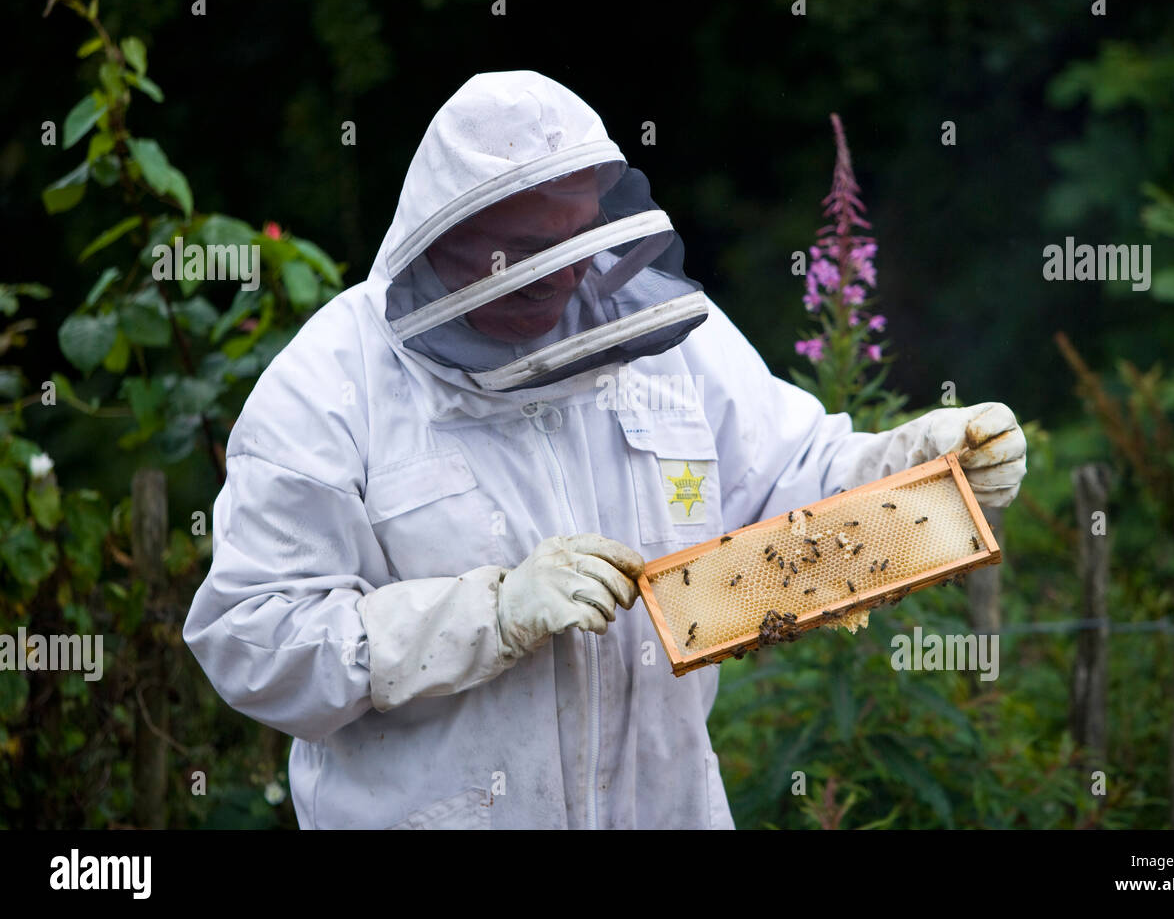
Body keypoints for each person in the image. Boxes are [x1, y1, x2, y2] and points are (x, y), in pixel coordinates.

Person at [183, 70, 1026, 829]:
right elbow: (255, 643)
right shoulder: (329, 386)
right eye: (520, 255)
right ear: (440, 238)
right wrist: (491, 614)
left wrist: (924, 468)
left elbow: (795, 485)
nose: (556, 280)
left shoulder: (658, 342)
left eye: (575, 243)